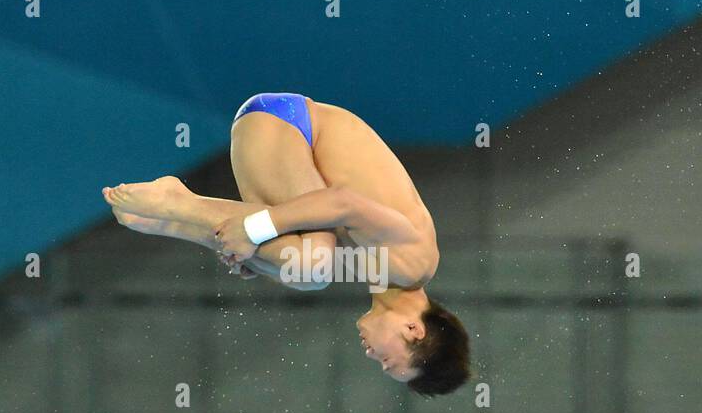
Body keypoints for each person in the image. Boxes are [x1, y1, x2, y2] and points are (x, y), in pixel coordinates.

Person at [103, 92, 470, 394]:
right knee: (310, 268)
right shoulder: (415, 264)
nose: (372, 355)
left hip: (278, 135)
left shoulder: (380, 276)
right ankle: (179, 206)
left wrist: (253, 253)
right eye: (389, 361)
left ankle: (178, 218)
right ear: (414, 330)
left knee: (302, 271)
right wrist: (257, 230)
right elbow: (343, 203)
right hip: (289, 124)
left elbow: (303, 242)